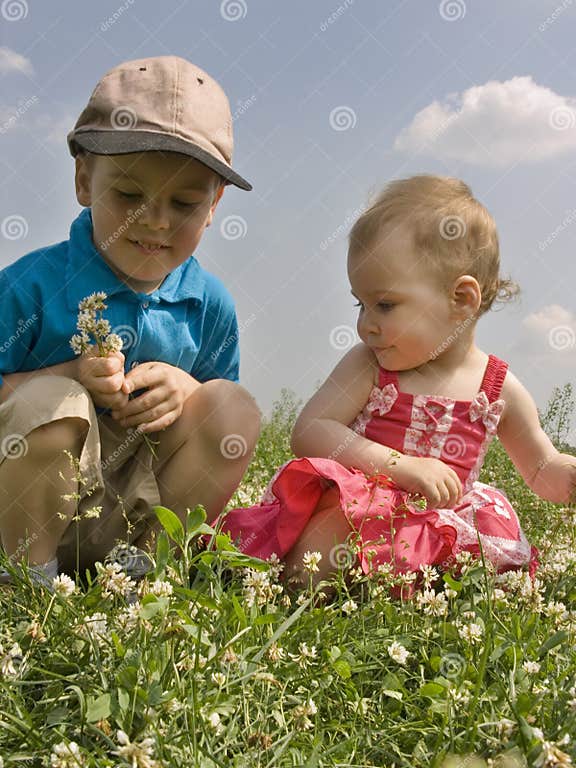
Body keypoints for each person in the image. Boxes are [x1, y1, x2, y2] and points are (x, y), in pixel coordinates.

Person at [219, 175, 576, 589]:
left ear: (461, 299)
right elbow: (311, 431)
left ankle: (428, 605)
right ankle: (294, 593)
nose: (365, 325)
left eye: (384, 305)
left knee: (486, 568)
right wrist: (400, 467)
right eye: (361, 304)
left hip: (446, 520)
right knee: (321, 550)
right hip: (366, 503)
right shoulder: (370, 366)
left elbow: (541, 467)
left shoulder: (498, 388)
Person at [0, 56, 260, 584]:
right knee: (55, 403)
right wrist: (68, 377)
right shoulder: (30, 286)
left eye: (185, 202)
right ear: (82, 178)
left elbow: (214, 418)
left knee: (233, 409)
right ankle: (26, 580)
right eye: (128, 194)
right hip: (24, 509)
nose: (156, 220)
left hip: (129, 512)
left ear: (214, 205)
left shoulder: (209, 305)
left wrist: (187, 390)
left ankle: (142, 576)